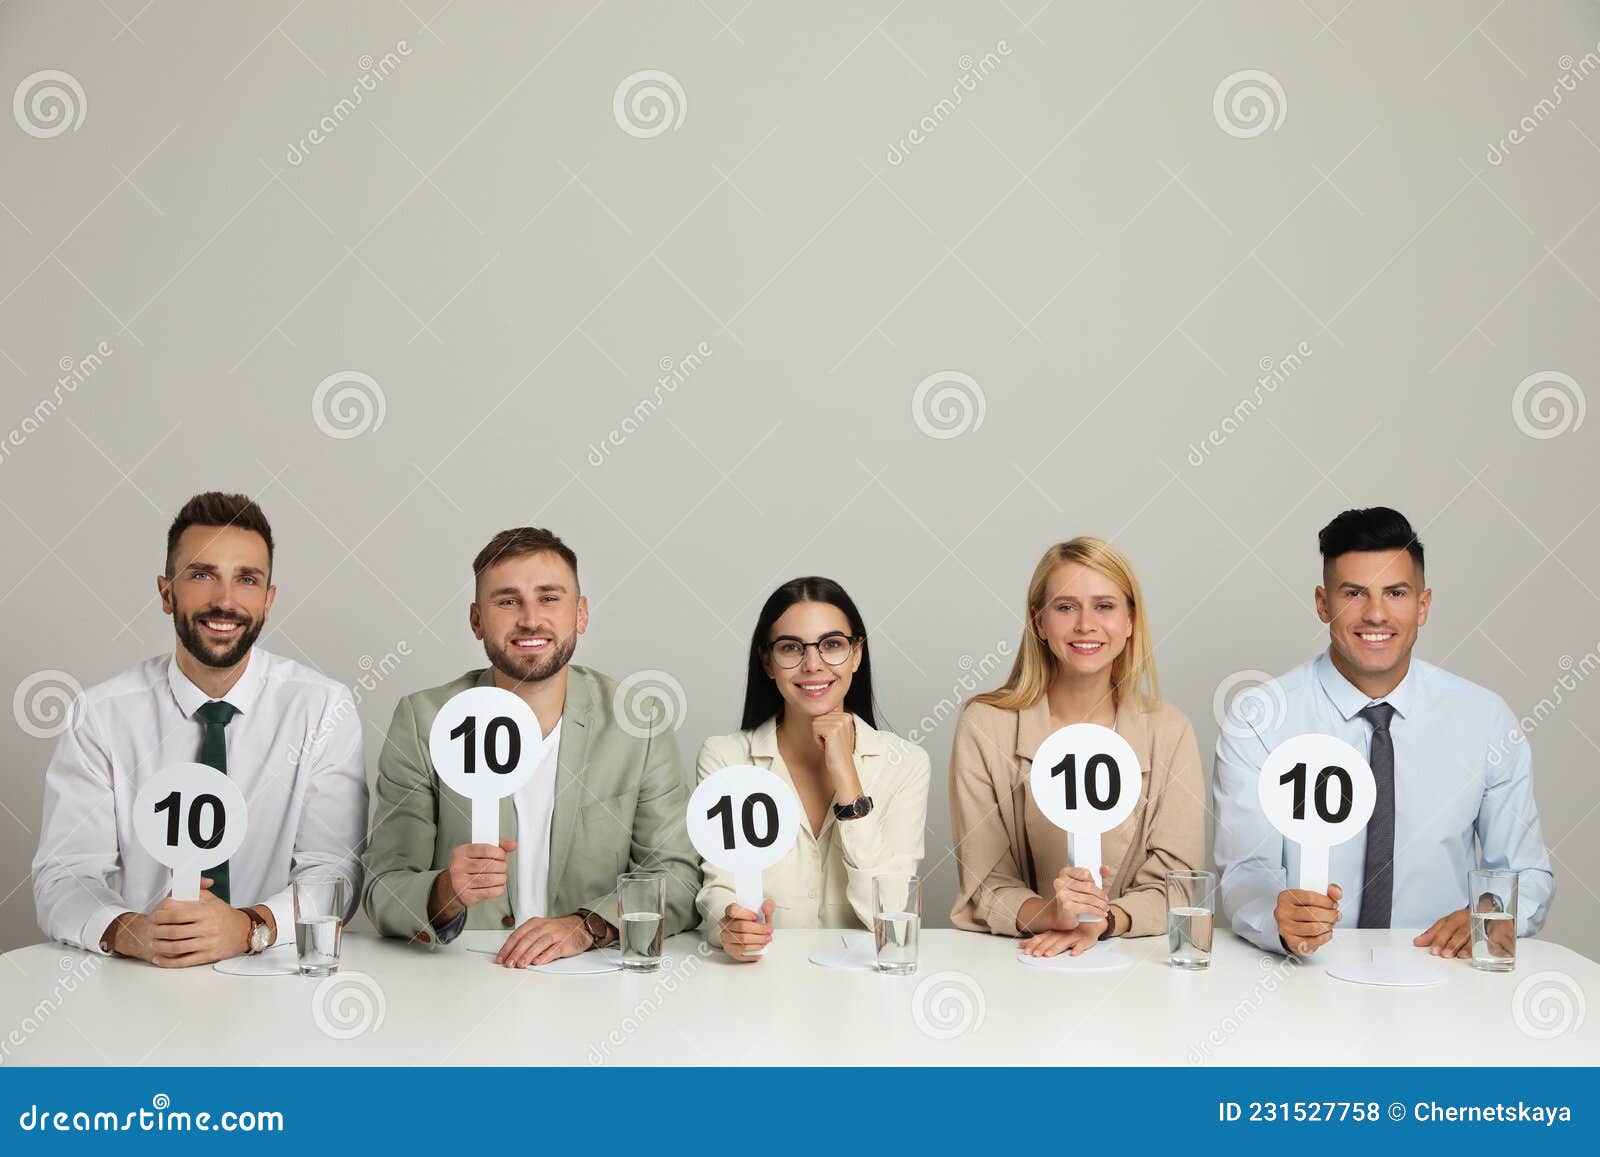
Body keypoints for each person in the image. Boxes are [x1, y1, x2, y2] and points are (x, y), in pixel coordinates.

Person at [31, 492, 369, 965]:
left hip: (274, 977)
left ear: (269, 600)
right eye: (202, 575)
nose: (225, 601)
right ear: (167, 592)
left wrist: (250, 927)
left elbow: (335, 873)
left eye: (247, 579)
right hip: (140, 981)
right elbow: (64, 877)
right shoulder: (101, 714)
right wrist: (132, 931)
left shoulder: (322, 708)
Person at [1213, 506, 1555, 957]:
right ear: (1322, 603)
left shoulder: (1485, 719)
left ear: (1423, 605)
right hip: (1304, 976)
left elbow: (1525, 874)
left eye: (1396, 593)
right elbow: (1245, 871)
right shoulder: (1259, 718)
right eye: (1354, 593)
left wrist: (1489, 910)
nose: (1376, 614)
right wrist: (1275, 915)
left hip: (1442, 971)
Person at [363, 527, 700, 967]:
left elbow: (678, 877)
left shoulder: (639, 721)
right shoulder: (424, 720)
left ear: (580, 614)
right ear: (476, 620)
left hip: (594, 975)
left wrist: (586, 926)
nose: (529, 619)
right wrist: (446, 891)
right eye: (507, 601)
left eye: (549, 598)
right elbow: (381, 886)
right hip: (463, 977)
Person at [949, 537, 1204, 957]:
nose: (1086, 624)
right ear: (1039, 623)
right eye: (1066, 607)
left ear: (1130, 621)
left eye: (1104, 606)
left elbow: (1179, 885)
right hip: (1017, 961)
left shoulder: (1170, 731)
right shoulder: (985, 727)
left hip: (1134, 965)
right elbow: (985, 883)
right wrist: (1053, 914)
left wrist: (1104, 920)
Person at [695, 577, 930, 961]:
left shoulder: (906, 764)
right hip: (762, 980)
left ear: (856, 655)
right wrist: (729, 924)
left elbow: (888, 917)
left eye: (832, 645)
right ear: (767, 661)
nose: (813, 664)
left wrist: (848, 781)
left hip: (861, 987)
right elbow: (720, 886)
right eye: (791, 648)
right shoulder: (726, 757)